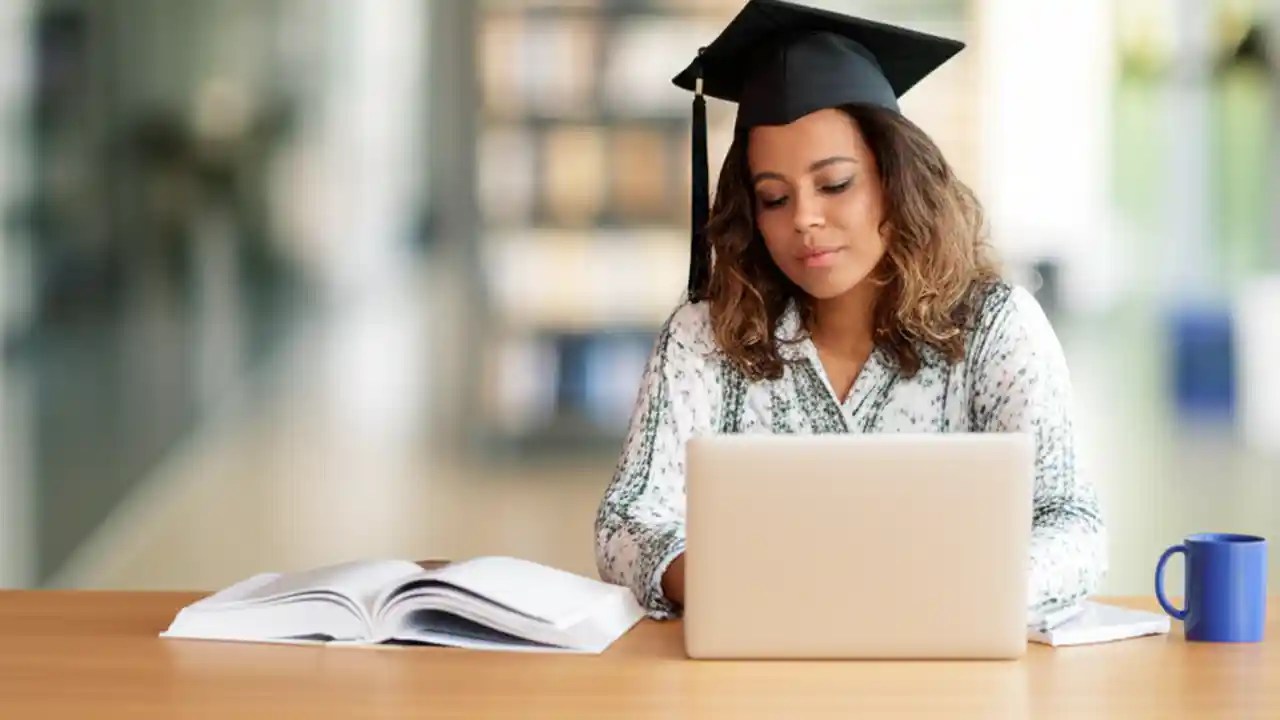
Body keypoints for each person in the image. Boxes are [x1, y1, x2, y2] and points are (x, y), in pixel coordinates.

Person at [594, 0, 1107, 620]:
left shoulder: (995, 329)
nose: (804, 219)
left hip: (945, 670)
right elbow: (627, 521)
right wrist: (714, 578)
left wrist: (959, 595)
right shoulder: (706, 337)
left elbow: (1071, 525)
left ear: (896, 179)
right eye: (774, 197)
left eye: (835, 184)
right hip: (755, 673)